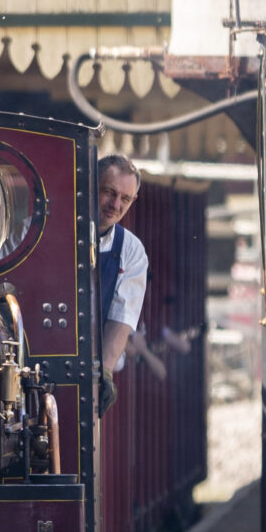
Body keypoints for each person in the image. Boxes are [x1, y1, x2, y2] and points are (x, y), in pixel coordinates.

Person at [94, 155, 148, 417]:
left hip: (87, 375)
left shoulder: (132, 251)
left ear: (133, 201)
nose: (115, 205)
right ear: (91, 184)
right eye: (109, 193)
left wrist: (103, 372)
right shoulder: (42, 229)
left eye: (125, 199)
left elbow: (121, 318)